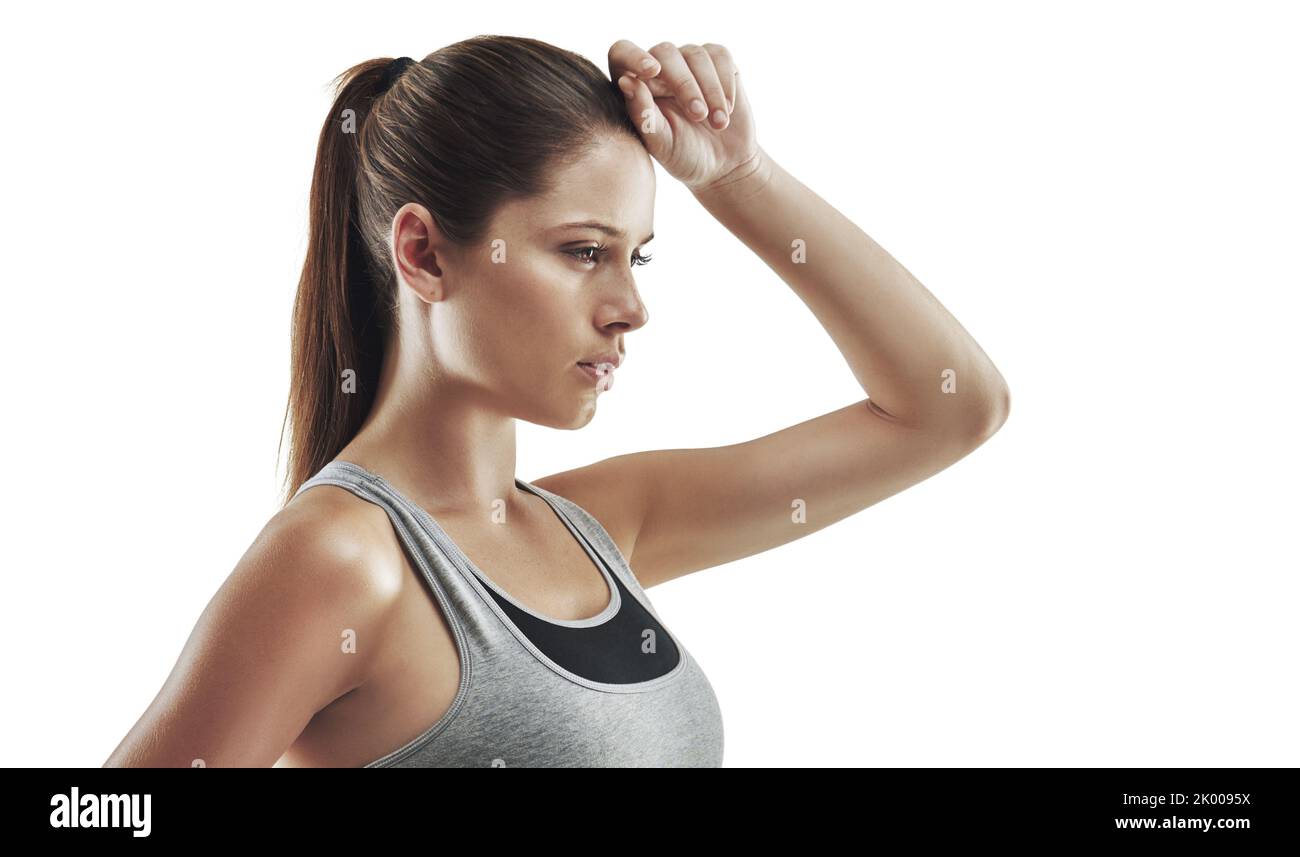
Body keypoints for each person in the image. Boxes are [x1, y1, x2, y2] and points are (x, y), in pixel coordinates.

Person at [105, 35, 1010, 768]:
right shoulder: (342, 559)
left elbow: (950, 406)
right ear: (422, 253)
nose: (631, 307)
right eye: (583, 251)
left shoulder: (602, 527)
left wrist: (737, 177)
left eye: (637, 255)